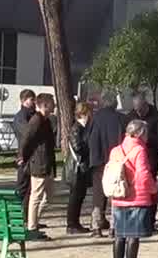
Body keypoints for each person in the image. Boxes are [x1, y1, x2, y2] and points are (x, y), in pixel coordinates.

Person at [104, 118, 157, 258]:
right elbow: (143, 174)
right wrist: (153, 190)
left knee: (119, 235)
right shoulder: (140, 150)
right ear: (140, 134)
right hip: (136, 197)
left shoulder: (116, 150)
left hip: (119, 196)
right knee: (133, 236)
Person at [120, 92, 158, 230]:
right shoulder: (130, 116)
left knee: (149, 189)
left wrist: (145, 137)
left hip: (150, 156)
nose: (138, 111)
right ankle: (135, 219)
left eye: (140, 108)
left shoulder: (156, 116)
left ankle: (150, 220)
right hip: (132, 157)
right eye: (136, 108)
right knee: (134, 190)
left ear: (145, 105)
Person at [87, 94, 128, 235]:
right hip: (116, 161)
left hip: (98, 161)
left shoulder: (96, 118)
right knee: (115, 193)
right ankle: (114, 226)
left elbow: (90, 139)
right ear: (115, 104)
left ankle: (96, 225)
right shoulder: (122, 119)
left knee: (98, 194)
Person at [19, 93, 57, 239]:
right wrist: (22, 156)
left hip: (46, 163)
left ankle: (33, 221)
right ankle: (32, 228)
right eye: (52, 103)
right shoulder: (36, 120)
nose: (54, 105)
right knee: (36, 196)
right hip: (38, 163)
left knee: (49, 197)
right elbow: (26, 138)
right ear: (45, 105)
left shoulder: (47, 120)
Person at [64, 101, 95, 235]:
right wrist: (89, 145)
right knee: (75, 197)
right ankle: (71, 224)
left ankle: (75, 223)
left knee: (79, 196)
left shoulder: (83, 128)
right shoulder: (76, 128)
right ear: (84, 113)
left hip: (80, 168)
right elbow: (78, 147)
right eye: (89, 112)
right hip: (75, 168)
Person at [11, 89, 37, 198]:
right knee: (23, 187)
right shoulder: (21, 117)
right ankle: (21, 211)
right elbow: (27, 133)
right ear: (23, 101)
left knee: (31, 189)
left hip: (32, 156)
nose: (34, 102)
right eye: (31, 99)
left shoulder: (34, 115)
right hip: (24, 156)